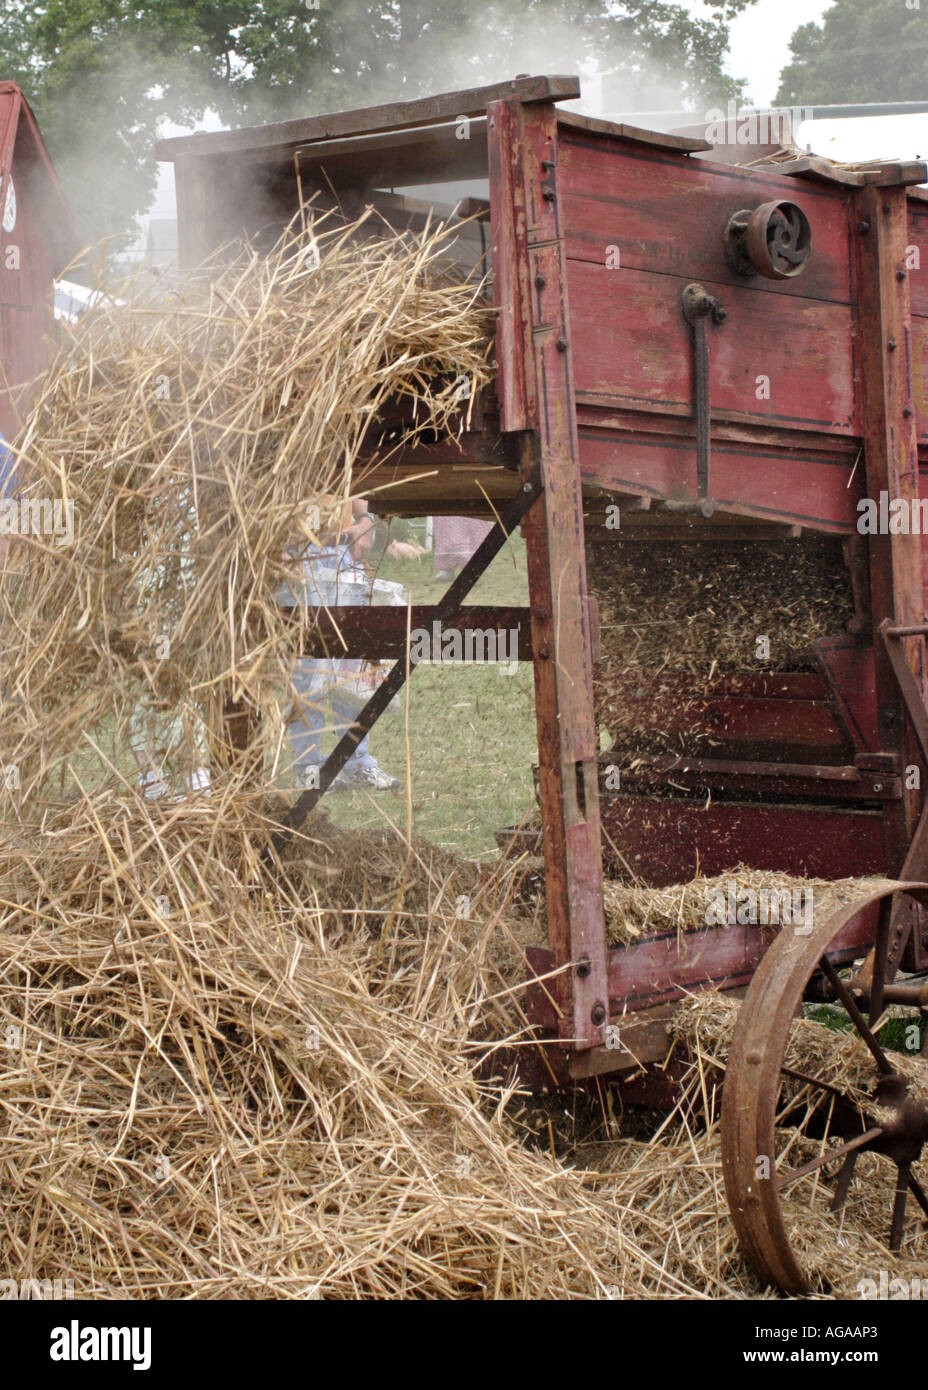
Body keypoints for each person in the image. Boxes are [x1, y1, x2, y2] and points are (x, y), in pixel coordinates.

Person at [279, 497, 420, 791]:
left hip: (341, 551)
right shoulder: (280, 454)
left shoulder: (338, 453)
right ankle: (309, 766)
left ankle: (355, 760)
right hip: (298, 553)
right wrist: (279, 548)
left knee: (353, 662)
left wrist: (365, 521)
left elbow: (353, 489)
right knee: (308, 665)